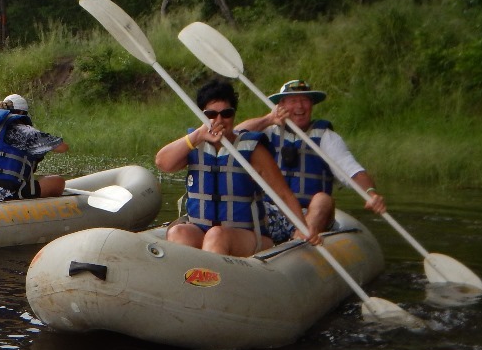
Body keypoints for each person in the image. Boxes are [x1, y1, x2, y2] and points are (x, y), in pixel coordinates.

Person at [153, 80, 309, 256]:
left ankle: (208, 281)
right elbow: (162, 162)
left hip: (248, 237)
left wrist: (303, 227)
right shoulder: (195, 145)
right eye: (211, 114)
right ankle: (188, 280)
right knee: (178, 232)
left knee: (217, 235)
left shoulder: (253, 149)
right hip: (203, 231)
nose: (219, 120)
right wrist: (198, 135)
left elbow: (283, 193)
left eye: (226, 114)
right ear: (202, 116)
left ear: (234, 115)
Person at [236, 78, 386, 242]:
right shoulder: (268, 132)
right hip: (273, 213)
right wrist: (268, 119)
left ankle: (300, 241)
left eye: (304, 100)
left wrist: (370, 193)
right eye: (293, 101)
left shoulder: (326, 138)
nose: (300, 106)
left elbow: (353, 171)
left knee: (323, 200)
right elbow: (236, 136)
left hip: (310, 213)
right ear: (281, 106)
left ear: (311, 105)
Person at [0, 93, 69, 206]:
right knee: (57, 181)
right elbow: (62, 147)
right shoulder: (23, 130)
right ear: (22, 113)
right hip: (4, 195)